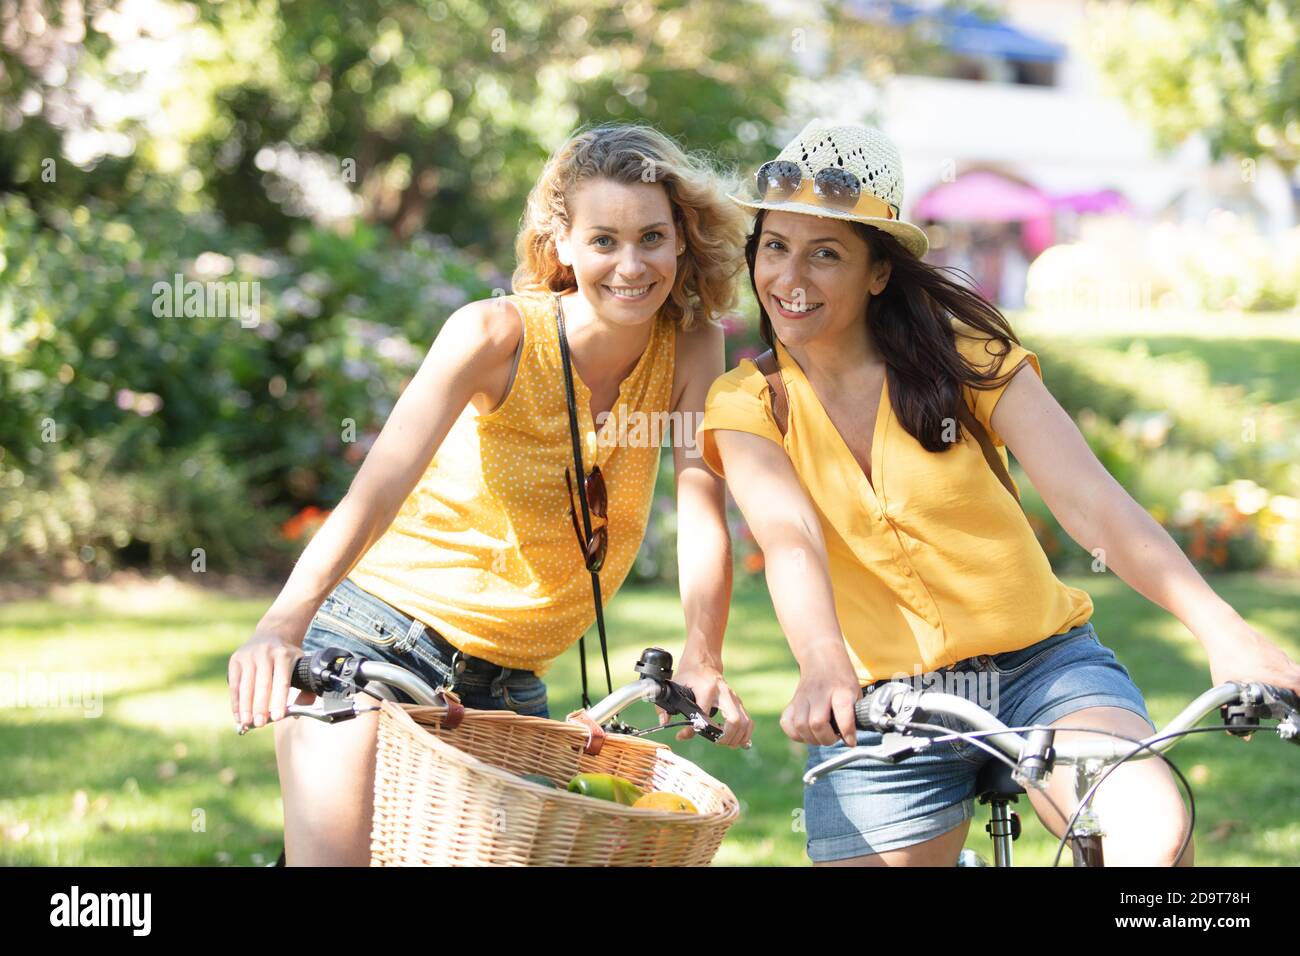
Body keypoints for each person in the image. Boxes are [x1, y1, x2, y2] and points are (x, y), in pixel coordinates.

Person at [699, 119, 1300, 866]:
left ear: (877, 272)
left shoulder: (965, 357)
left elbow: (1091, 502)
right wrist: (823, 662)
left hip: (1043, 669)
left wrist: (1221, 628)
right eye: (776, 247)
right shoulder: (746, 401)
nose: (791, 278)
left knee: (1143, 830)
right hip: (884, 701)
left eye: (827, 254)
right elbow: (790, 538)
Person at [228, 122, 755, 865]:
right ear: (563, 244)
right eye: (604, 240)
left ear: (683, 240)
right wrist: (282, 624)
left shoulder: (693, 346)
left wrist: (705, 658)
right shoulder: (493, 336)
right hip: (378, 642)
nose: (631, 265)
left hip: (512, 688)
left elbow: (702, 506)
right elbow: (374, 495)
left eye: (653, 238)